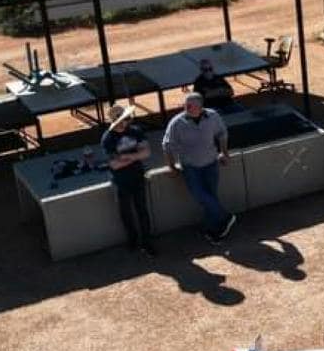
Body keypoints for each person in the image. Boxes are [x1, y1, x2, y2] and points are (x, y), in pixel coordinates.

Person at [163, 91, 236, 241]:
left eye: (190, 106)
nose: (186, 108)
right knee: (200, 195)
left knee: (210, 197)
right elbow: (167, 145)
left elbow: (222, 133)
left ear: (200, 107)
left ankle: (213, 231)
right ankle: (226, 217)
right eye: (185, 105)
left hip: (211, 163)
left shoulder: (213, 116)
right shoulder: (177, 122)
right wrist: (171, 165)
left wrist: (224, 153)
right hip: (191, 167)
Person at [101, 102, 155, 255]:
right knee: (125, 213)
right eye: (124, 119)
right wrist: (136, 156)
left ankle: (146, 242)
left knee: (142, 210)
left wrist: (127, 157)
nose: (127, 121)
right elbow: (114, 164)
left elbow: (147, 152)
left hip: (138, 176)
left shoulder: (135, 131)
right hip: (120, 180)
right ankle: (132, 239)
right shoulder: (108, 138)